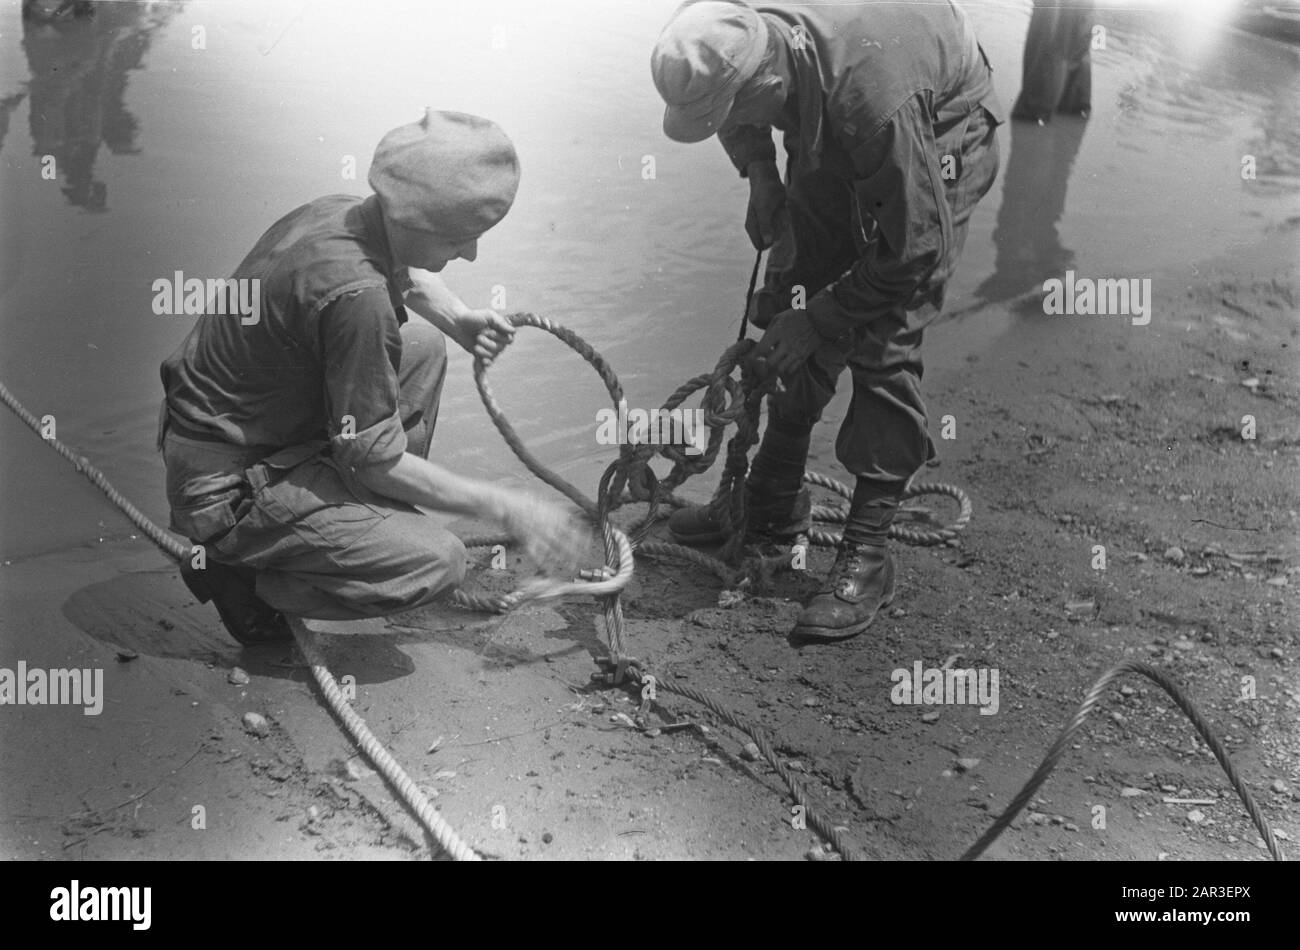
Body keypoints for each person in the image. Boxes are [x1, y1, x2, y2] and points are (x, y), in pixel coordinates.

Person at [158, 109, 585, 645]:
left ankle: (347, 525)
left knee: (423, 346)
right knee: (437, 563)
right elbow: (375, 456)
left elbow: (401, 272)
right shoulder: (359, 299)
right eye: (459, 239)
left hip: (235, 433)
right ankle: (243, 579)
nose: (471, 254)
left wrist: (458, 319)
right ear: (413, 222)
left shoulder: (340, 211)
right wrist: (507, 506)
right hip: (223, 488)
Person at [651, 0, 1002, 643]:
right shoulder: (728, 26)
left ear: (770, 83)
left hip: (938, 129)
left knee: (884, 333)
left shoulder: (876, 104)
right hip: (831, 90)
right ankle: (772, 499)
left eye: (733, 113)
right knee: (796, 283)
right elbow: (735, 98)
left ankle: (868, 551)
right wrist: (761, 171)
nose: (730, 126)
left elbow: (914, 250)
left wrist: (819, 322)